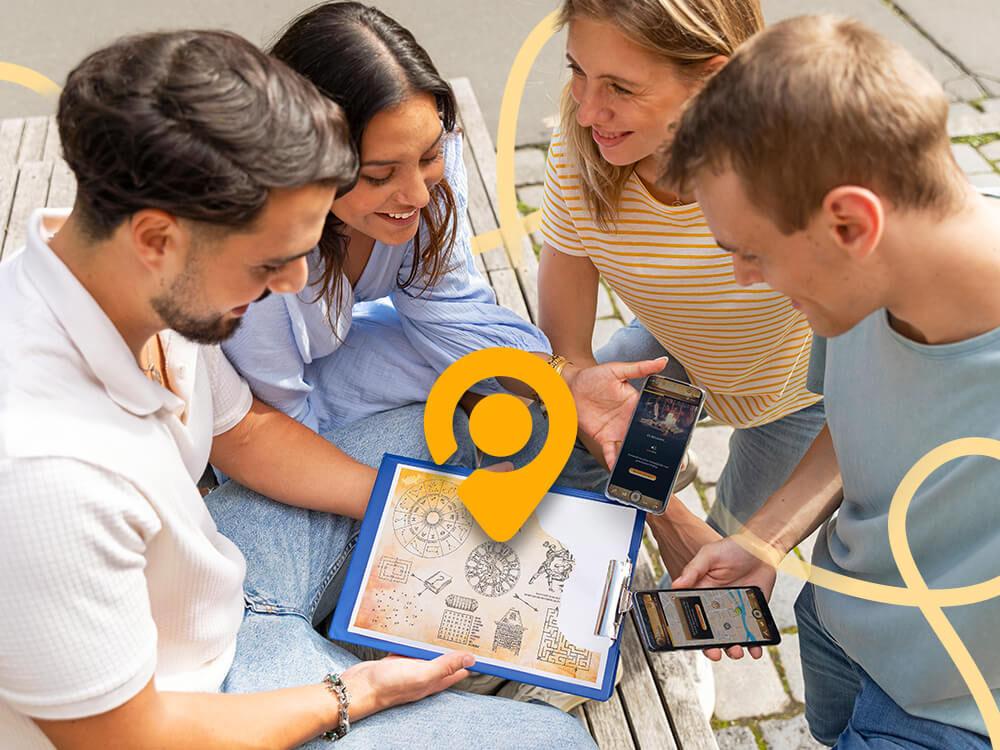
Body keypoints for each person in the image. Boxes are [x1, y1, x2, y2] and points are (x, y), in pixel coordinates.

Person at [0, 30, 596, 749]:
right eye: (269, 265)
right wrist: (350, 692)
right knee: (558, 742)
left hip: (220, 576)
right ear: (158, 239)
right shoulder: (40, 477)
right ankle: (384, 663)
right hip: (196, 701)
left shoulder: (129, 280)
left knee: (465, 421)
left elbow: (243, 430)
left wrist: (407, 506)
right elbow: (130, 739)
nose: (292, 286)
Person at [665, 15, 998, 748]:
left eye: (751, 253)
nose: (742, 280)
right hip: (838, 623)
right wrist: (765, 540)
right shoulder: (857, 291)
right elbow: (859, 430)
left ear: (849, 223)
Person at [222, 1, 665, 470]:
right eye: (379, 175)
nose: (416, 195)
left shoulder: (428, 176)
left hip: (331, 360)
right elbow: (275, 416)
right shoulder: (257, 262)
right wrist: (399, 500)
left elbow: (450, 311)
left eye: (430, 156)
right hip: (251, 404)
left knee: (492, 381)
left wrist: (564, 383)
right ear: (305, 163)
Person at [532, 0, 826, 549]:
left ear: (710, 80)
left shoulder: (803, 172)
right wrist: (663, 512)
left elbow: (885, 374)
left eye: (620, 87)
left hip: (794, 394)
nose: (588, 111)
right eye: (578, 71)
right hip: (675, 353)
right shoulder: (580, 152)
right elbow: (563, 350)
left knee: (725, 558)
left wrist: (707, 538)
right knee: (561, 439)